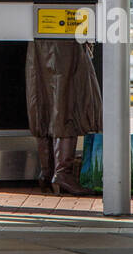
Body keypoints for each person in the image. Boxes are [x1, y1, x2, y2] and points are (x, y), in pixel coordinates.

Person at [26, 37, 102, 196]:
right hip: (66, 43)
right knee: (67, 103)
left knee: (43, 103)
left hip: (38, 41)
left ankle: (47, 172)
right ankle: (62, 174)